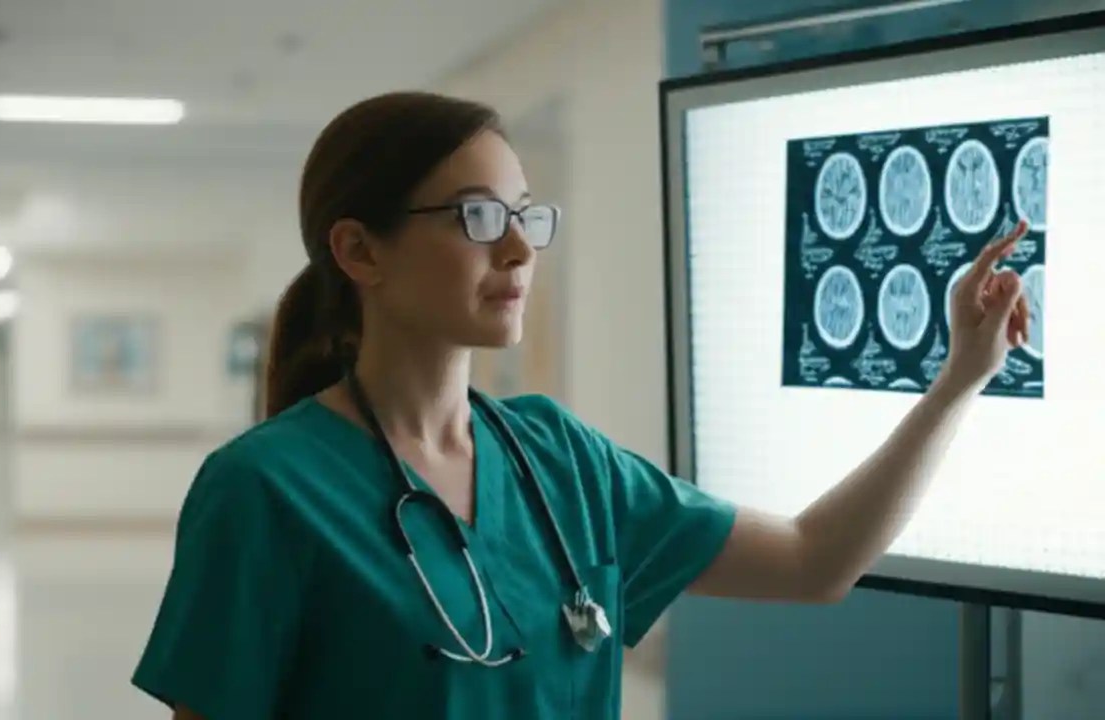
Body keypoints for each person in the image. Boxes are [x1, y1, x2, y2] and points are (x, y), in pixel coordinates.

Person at [130, 91, 1031, 720]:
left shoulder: (559, 460)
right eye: (479, 218)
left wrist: (958, 380)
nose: (522, 248)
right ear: (362, 251)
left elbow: (814, 561)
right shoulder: (264, 490)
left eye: (529, 215)